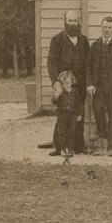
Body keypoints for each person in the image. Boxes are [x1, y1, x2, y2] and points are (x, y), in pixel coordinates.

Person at [47, 10, 89, 156]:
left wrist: (88, 83)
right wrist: (56, 83)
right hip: (64, 84)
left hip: (80, 83)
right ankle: (59, 146)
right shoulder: (57, 40)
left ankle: (78, 145)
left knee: (78, 113)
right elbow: (51, 64)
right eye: (70, 21)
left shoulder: (83, 40)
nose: (72, 24)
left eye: (75, 21)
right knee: (63, 114)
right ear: (65, 21)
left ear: (78, 22)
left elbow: (88, 63)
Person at [86, 16, 112, 156]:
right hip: (99, 87)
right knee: (98, 110)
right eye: (104, 27)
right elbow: (89, 67)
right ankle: (102, 136)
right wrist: (90, 84)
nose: (107, 30)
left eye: (109, 27)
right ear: (101, 28)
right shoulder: (95, 45)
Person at [51, 70, 83, 158]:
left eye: (68, 83)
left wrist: (80, 114)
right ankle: (62, 149)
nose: (66, 85)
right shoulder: (60, 92)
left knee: (71, 132)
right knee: (61, 132)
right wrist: (57, 95)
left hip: (72, 115)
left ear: (72, 82)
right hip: (62, 115)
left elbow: (79, 104)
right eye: (64, 83)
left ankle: (70, 149)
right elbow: (54, 101)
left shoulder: (75, 92)